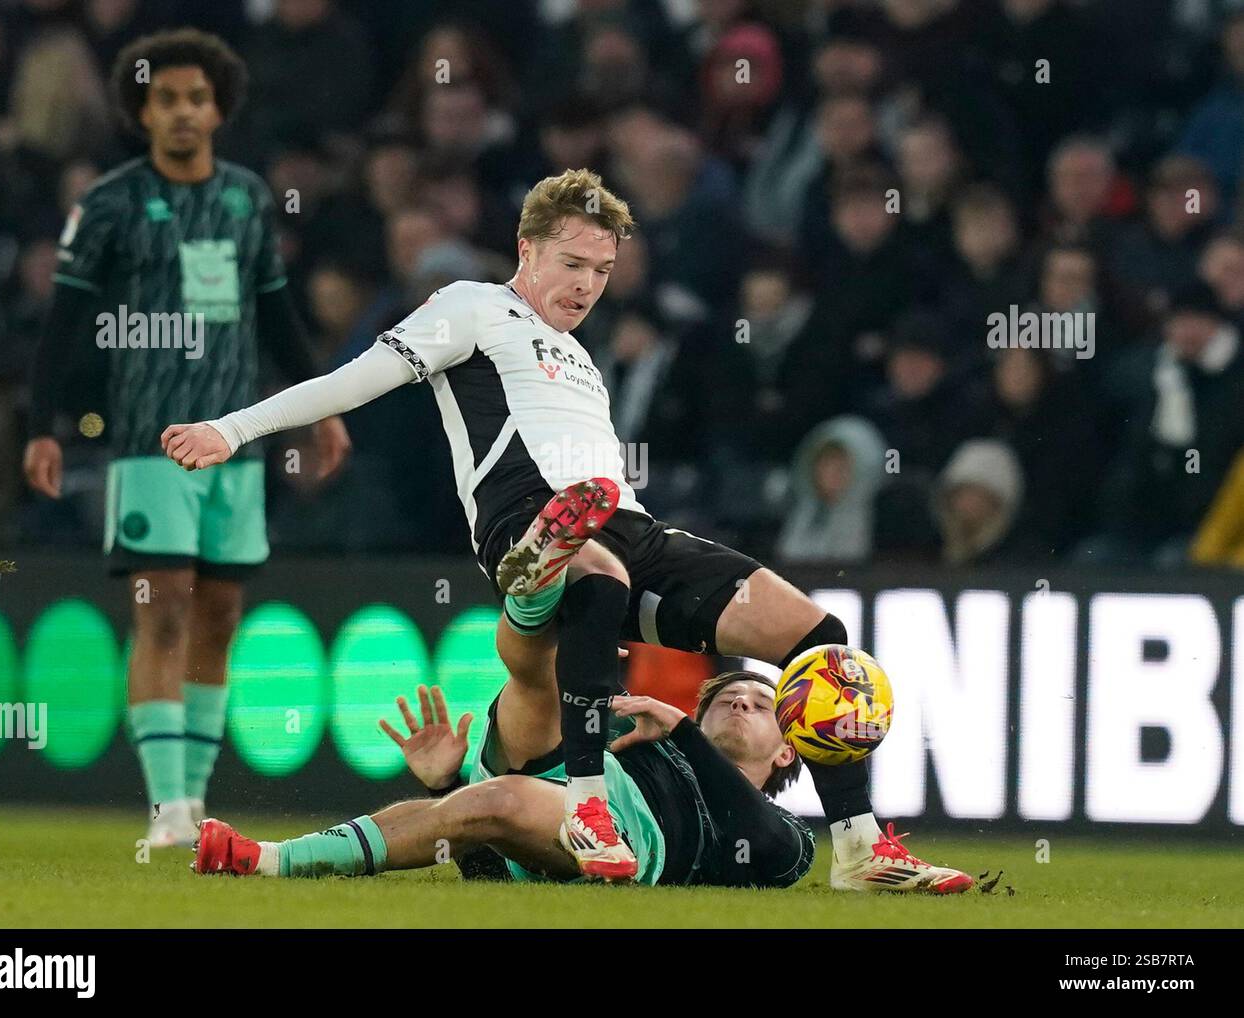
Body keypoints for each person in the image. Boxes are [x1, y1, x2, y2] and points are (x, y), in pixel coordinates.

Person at [159, 167, 950, 889]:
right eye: (571, 264)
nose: (586, 285)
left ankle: (858, 846)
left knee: (820, 632)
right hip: (523, 516)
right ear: (526, 248)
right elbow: (350, 381)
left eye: (602, 272)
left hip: (624, 525)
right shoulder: (472, 306)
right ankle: (585, 796)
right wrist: (231, 432)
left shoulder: (579, 358)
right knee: (593, 576)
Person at [22, 28, 351, 846]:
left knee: (221, 612)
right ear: (141, 110)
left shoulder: (246, 198)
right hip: (145, 441)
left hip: (233, 441)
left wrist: (321, 408)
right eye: (164, 98)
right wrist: (44, 427)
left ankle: (193, 803)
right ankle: (166, 805)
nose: (181, 113)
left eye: (195, 98)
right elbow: (61, 326)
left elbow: (277, 317)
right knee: (160, 608)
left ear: (218, 108)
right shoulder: (109, 202)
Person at [193, 675, 973, 894]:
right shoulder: (648, 748)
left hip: (632, 843)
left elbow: (770, 853)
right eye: (722, 696)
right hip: (577, 805)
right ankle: (539, 594)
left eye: (763, 704)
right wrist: (456, 773)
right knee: (527, 709)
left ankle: (265, 860)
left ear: (784, 758)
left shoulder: (785, 839)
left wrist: (689, 733)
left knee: (494, 805)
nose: (741, 700)